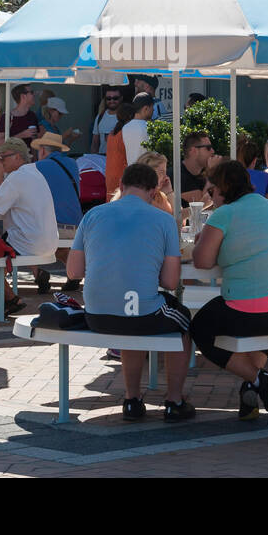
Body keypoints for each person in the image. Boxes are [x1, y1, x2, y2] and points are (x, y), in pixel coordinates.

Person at [189, 160, 268, 420]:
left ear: (223, 189)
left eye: (212, 192)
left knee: (200, 328)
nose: (211, 197)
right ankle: (251, 392)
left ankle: (260, 378)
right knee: (258, 320)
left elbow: (202, 261)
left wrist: (202, 237)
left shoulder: (224, 214)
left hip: (258, 311)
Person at [68, 162, 195, 422]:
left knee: (132, 320)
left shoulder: (92, 215)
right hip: (141, 311)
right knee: (183, 323)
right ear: (153, 192)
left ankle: (132, 399)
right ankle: (174, 400)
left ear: (121, 186)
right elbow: (171, 282)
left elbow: (73, 272)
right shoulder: (164, 220)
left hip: (97, 314)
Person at [0, 137, 59, 316]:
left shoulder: (17, 177)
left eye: (3, 157)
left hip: (28, 242)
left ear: (18, 157)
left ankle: (11, 299)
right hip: (47, 242)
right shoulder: (35, 173)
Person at [32, 131, 83, 293]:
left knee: (18, 236)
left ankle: (37, 272)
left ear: (42, 151)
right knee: (60, 248)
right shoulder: (73, 164)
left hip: (54, 230)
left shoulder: (38, 167)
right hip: (76, 227)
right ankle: (74, 274)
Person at [112, 151, 175, 216]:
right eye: (161, 172)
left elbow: (180, 221)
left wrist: (169, 193)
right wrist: (169, 193)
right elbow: (173, 219)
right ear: (148, 173)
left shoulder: (159, 196)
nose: (166, 177)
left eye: (165, 172)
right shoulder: (136, 195)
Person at [103, 103, 137, 201]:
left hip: (110, 175)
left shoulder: (111, 134)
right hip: (122, 175)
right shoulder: (125, 133)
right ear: (131, 116)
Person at [180, 131, 214, 207]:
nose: (212, 151)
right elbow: (203, 205)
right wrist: (212, 172)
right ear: (194, 151)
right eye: (208, 148)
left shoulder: (204, 173)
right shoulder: (177, 175)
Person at [91, 87, 122, 154]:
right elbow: (95, 143)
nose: (112, 101)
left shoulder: (127, 117)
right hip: (102, 160)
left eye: (115, 98)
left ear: (121, 98)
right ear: (105, 100)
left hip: (120, 161)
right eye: (108, 98)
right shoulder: (100, 117)